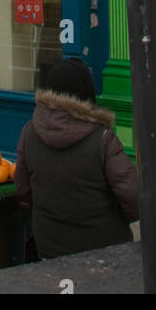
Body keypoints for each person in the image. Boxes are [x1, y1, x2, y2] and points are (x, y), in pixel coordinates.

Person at [14, 57, 138, 258]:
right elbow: (133, 195)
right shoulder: (103, 138)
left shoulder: (29, 132)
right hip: (103, 246)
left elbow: (22, 188)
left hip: (50, 244)